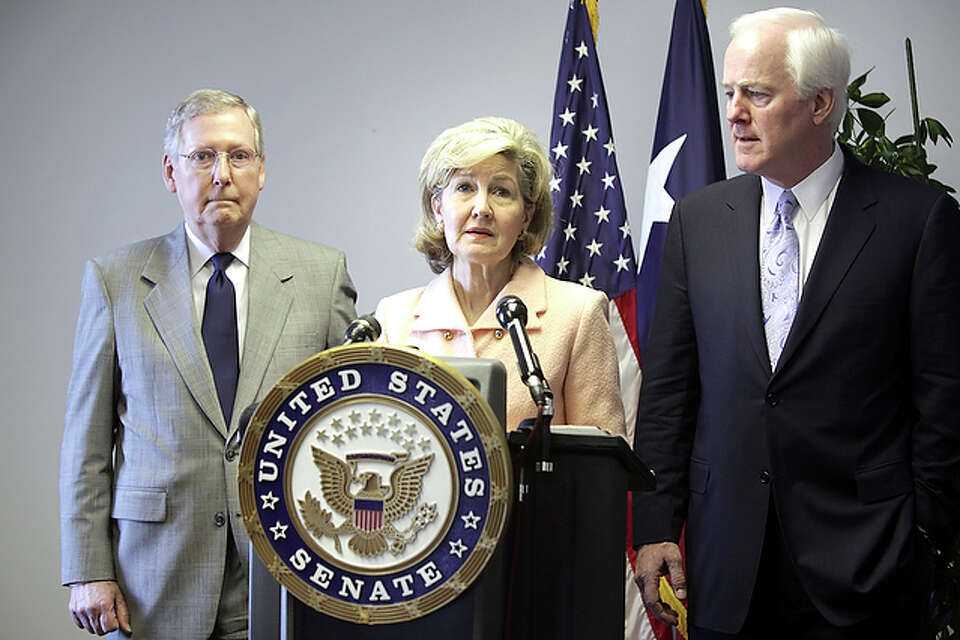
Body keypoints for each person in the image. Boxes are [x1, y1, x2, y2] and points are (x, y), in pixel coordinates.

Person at [632, 8, 960, 639]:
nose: (734, 112)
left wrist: (920, 527)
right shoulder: (699, 221)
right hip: (726, 560)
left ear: (820, 104)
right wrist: (653, 527)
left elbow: (944, 393)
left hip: (867, 568)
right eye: (730, 93)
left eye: (757, 93)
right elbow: (670, 393)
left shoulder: (915, 220)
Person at [59, 89, 357, 639]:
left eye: (239, 156)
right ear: (172, 172)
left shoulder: (321, 274)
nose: (222, 173)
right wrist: (87, 570)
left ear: (261, 171)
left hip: (285, 569)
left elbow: (345, 423)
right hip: (152, 577)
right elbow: (88, 442)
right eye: (202, 157)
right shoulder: (116, 279)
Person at [375, 116, 626, 437]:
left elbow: (601, 465)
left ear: (526, 216)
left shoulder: (578, 314)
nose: (482, 208)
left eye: (501, 192)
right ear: (438, 207)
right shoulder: (393, 319)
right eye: (465, 187)